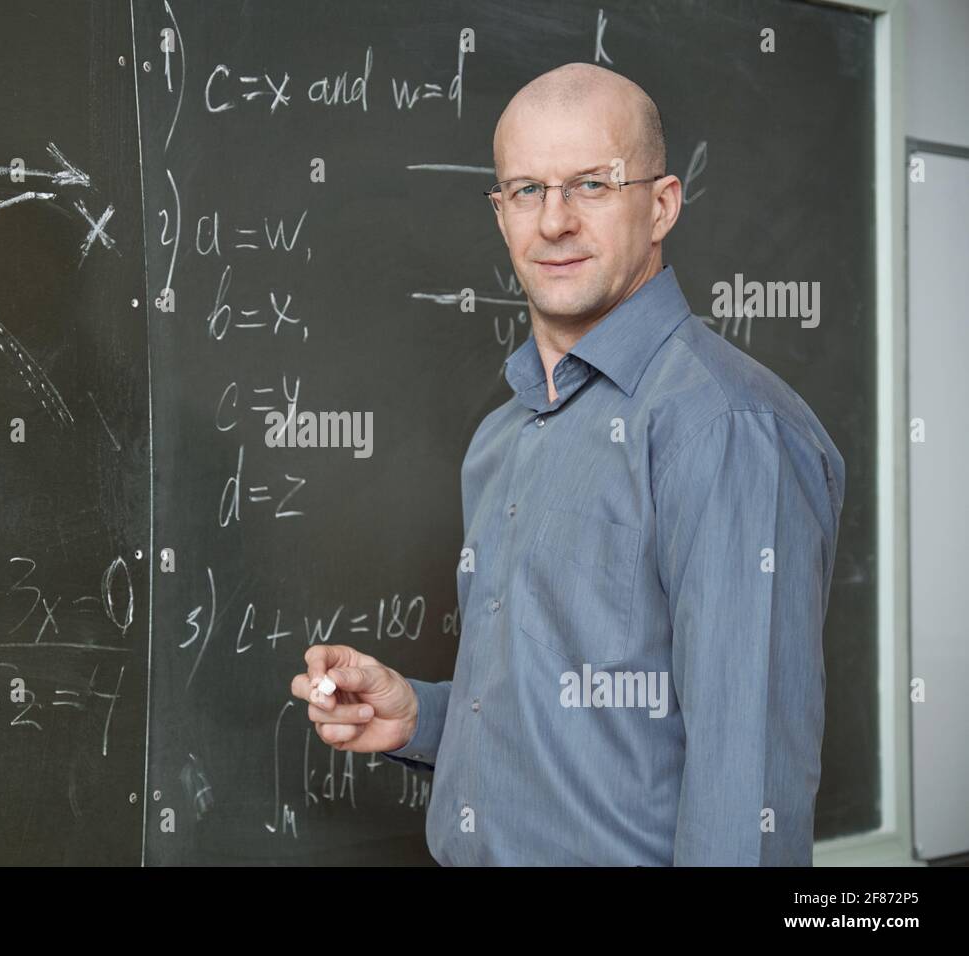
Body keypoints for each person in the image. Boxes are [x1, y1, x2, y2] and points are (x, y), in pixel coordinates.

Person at [289, 62, 845, 865]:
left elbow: (745, 779)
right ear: (500, 212)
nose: (553, 222)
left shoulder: (724, 428)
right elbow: (580, 723)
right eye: (525, 190)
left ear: (660, 205)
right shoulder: (503, 438)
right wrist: (421, 719)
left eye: (591, 185)